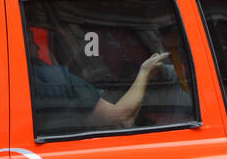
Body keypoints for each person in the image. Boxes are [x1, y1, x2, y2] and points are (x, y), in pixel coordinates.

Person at [28, 45, 171, 134]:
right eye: (32, 40)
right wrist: (144, 73)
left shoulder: (32, 80)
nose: (39, 47)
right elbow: (120, 119)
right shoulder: (52, 79)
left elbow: (126, 121)